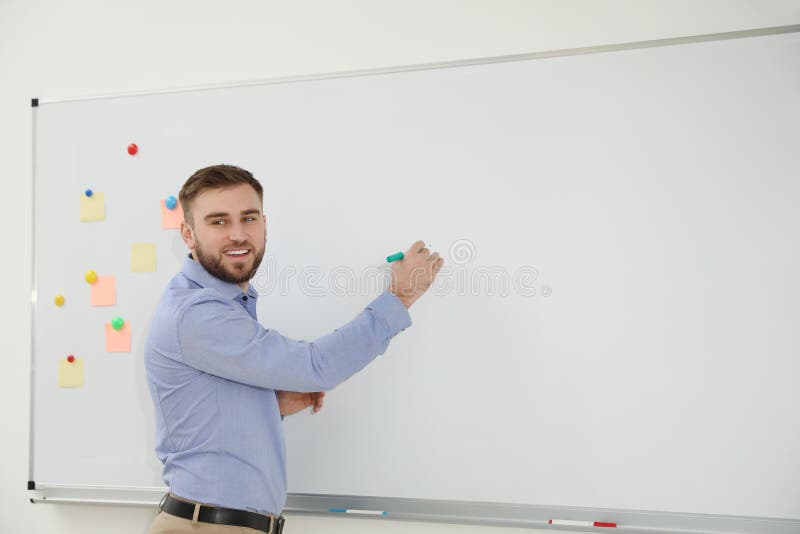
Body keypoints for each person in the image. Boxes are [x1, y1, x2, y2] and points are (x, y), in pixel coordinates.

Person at [145, 164, 443, 534]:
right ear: (188, 234)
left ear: (264, 224)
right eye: (218, 221)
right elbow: (314, 366)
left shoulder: (223, 306)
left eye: (248, 218)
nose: (238, 234)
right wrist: (400, 297)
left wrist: (267, 406)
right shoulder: (196, 313)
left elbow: (210, 412)